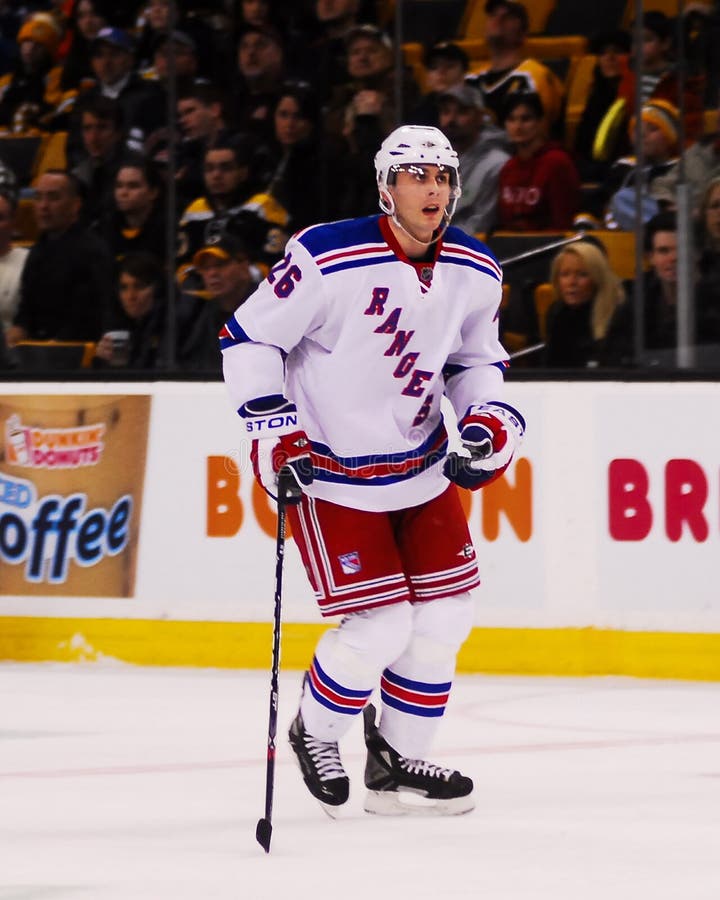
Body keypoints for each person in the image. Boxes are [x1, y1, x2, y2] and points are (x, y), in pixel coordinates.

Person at [220, 124, 526, 815]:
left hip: (419, 467)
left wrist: (486, 421)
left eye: (443, 176)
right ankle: (317, 732)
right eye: (415, 175)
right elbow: (249, 337)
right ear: (385, 188)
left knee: (446, 616)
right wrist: (273, 425)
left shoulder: (476, 269)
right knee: (380, 626)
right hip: (327, 470)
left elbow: (476, 363)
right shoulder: (327, 253)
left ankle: (397, 762)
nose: (432, 188)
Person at [6, 169, 113, 348]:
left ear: (75, 205)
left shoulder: (93, 252)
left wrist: (50, 347)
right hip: (39, 350)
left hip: (76, 355)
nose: (43, 206)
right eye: (38, 198)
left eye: (53, 198)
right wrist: (16, 331)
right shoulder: (38, 250)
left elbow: (90, 317)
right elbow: (26, 310)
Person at [465, 0, 564, 133]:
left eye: (509, 17)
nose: (499, 19)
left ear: (523, 34)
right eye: (493, 15)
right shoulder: (470, 80)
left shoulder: (534, 76)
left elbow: (540, 134)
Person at [497, 92, 580, 231]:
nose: (518, 126)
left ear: (541, 122)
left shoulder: (557, 163)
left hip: (550, 246)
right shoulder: (508, 168)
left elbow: (563, 223)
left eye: (526, 119)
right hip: (510, 245)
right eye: (511, 119)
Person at [177, 233, 260, 370]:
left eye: (220, 265)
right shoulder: (200, 313)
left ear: (244, 266)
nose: (212, 273)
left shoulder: (267, 307)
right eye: (205, 267)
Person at [437, 82, 509, 235]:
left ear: (480, 117)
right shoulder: (434, 161)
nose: (451, 119)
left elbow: (482, 224)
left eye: (462, 112)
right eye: (446, 112)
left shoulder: (497, 164)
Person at [543, 240, 625, 368]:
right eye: (565, 274)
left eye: (582, 274)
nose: (572, 282)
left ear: (597, 278)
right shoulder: (556, 313)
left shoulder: (617, 314)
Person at [94, 250, 167, 369]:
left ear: (157, 289)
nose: (131, 296)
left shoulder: (173, 328)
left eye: (139, 286)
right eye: (124, 288)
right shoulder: (115, 323)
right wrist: (102, 360)